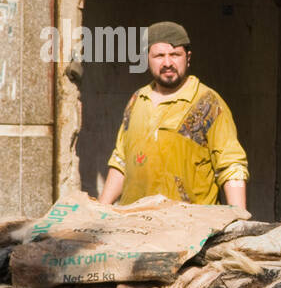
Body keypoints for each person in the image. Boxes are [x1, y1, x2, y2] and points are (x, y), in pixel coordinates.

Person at [98, 21, 249, 210]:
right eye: (159, 56)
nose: (167, 63)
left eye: (175, 55)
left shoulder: (207, 103)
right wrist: (101, 208)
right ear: (146, 59)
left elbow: (231, 165)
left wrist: (238, 219)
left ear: (188, 58)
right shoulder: (137, 100)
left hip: (190, 228)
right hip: (134, 224)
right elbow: (121, 161)